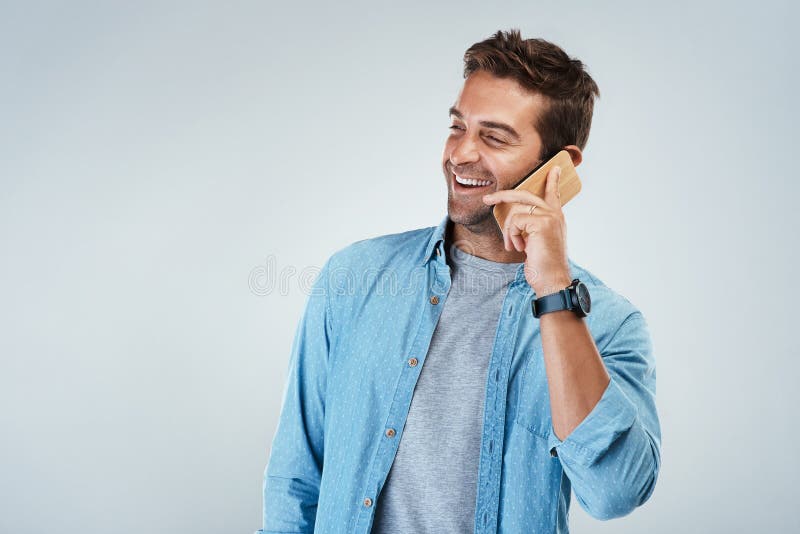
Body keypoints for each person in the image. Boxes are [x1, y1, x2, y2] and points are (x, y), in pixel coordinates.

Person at [256, 29, 661, 534]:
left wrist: (554, 288)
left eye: (493, 136)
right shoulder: (353, 278)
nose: (461, 154)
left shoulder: (608, 324)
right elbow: (296, 479)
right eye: (457, 127)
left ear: (561, 166)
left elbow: (616, 492)